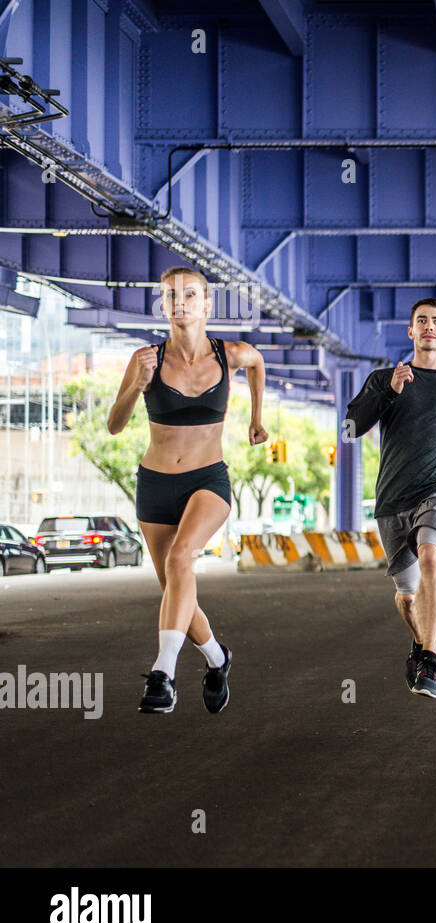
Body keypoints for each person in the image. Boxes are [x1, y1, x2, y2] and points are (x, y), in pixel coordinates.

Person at [107, 266, 267, 714]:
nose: (181, 302)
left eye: (190, 295)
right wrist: (135, 388)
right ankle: (218, 659)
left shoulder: (229, 353)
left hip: (207, 480)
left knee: (182, 560)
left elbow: (256, 362)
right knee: (175, 588)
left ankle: (163, 674)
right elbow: (115, 426)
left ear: (206, 304)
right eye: (171, 295)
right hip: (154, 485)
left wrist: (257, 417)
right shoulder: (146, 359)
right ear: (163, 304)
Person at [344, 298, 436, 701]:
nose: (429, 326)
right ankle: (420, 642)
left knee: (431, 556)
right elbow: (352, 427)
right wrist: (390, 392)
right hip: (393, 499)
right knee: (408, 597)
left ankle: (429, 659)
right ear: (410, 332)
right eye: (421, 321)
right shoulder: (384, 378)